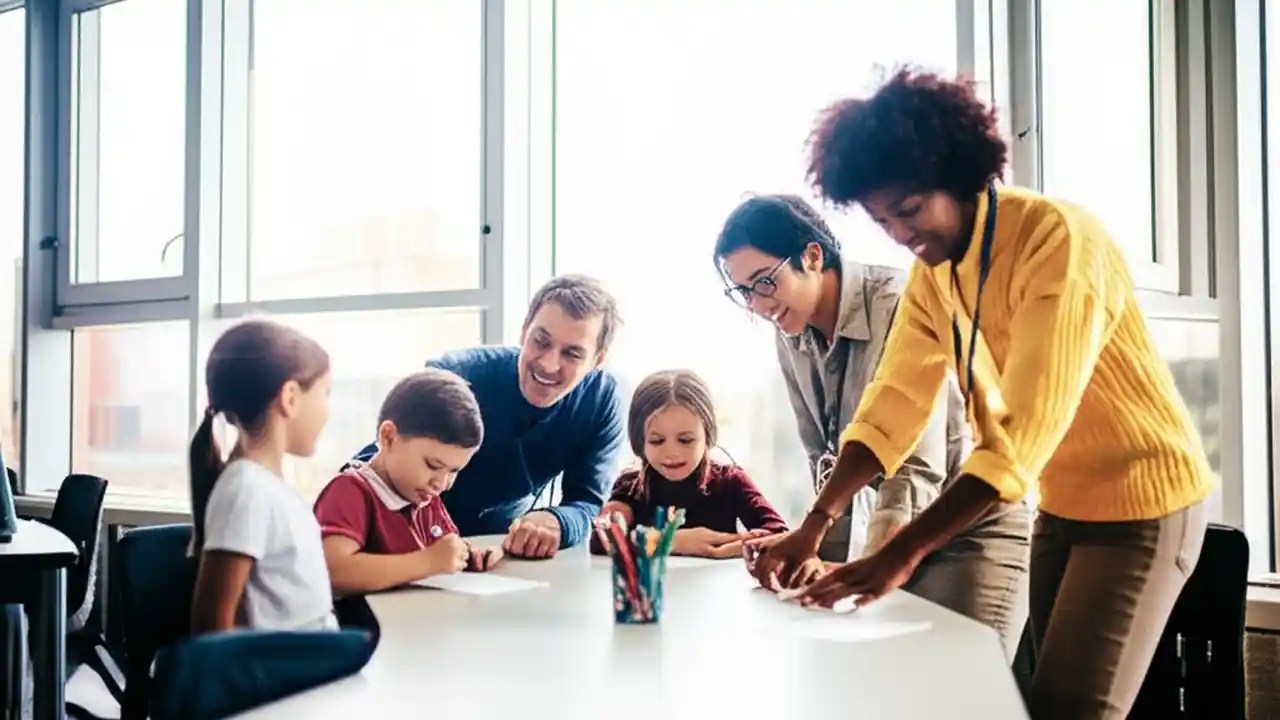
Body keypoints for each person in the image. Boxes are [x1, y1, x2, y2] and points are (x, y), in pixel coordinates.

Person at [755, 69, 1216, 719]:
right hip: (1062, 506)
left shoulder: (1056, 241)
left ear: (960, 168)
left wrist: (899, 553)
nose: (899, 234)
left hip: (1145, 504)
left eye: (909, 210)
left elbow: (1018, 439)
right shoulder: (935, 273)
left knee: (1071, 710)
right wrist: (816, 522)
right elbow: (890, 406)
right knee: (1030, 704)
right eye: (883, 219)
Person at [717, 193, 1030, 659]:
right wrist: (812, 555)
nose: (759, 306)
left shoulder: (899, 303)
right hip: (892, 536)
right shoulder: (792, 332)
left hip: (972, 528)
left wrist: (863, 565)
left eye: (764, 282)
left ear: (812, 255)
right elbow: (824, 458)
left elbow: (913, 468)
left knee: (963, 688)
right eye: (743, 292)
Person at [353, 274, 625, 559]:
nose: (548, 364)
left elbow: (587, 500)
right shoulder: (455, 374)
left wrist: (556, 520)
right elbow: (387, 462)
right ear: (523, 332)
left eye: (572, 354)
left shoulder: (601, 401)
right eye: (540, 341)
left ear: (598, 359)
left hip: (490, 552)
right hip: (410, 539)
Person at [189, 320, 337, 634]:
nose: (328, 410)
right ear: (291, 397)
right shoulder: (246, 489)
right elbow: (211, 629)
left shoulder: (267, 485)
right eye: (325, 393)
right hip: (289, 678)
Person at [316, 369, 503, 596]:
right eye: (433, 465)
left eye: (454, 471)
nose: (442, 483)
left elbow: (441, 554)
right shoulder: (350, 492)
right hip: (372, 628)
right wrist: (427, 563)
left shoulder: (424, 497)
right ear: (389, 437)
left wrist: (465, 555)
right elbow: (333, 571)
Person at [592, 369, 787, 559]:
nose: (672, 453)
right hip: (650, 590)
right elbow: (601, 539)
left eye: (685, 440)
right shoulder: (631, 486)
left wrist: (726, 548)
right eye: (657, 441)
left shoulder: (731, 481)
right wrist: (673, 541)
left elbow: (779, 535)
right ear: (639, 441)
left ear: (707, 436)